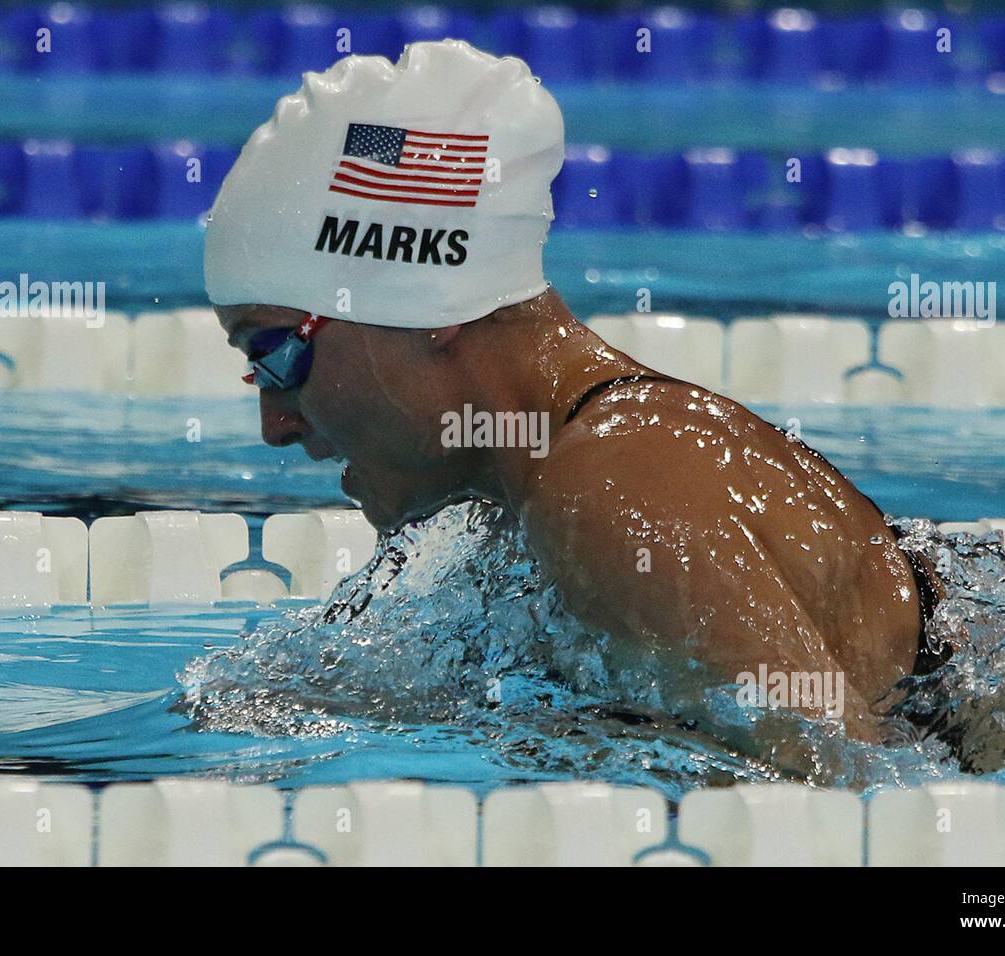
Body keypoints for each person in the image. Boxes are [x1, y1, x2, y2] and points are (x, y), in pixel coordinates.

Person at [205, 39, 938, 745]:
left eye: (273, 356)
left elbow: (844, 803)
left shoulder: (610, 486)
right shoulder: (553, 482)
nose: (274, 423)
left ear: (422, 303)